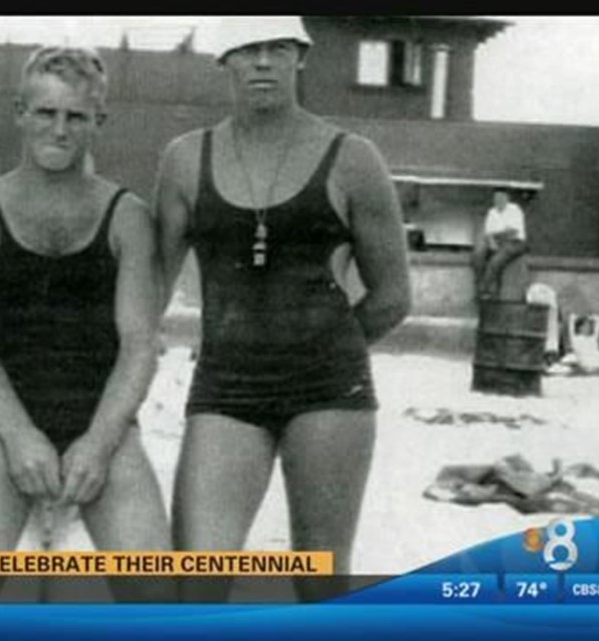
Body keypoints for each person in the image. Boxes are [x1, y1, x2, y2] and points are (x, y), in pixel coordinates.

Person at [155, 17, 410, 602]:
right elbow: (149, 289)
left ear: (301, 56)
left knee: (321, 579)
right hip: (226, 387)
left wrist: (325, 350)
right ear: (226, 60)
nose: (263, 61)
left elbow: (394, 296)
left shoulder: (352, 159)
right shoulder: (186, 159)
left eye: (277, 48)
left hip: (328, 391)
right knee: (195, 578)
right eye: (248, 49)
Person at [0, 46, 172, 603]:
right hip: (4, 419)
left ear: (99, 120)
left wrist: (99, 443)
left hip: (101, 417)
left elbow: (140, 344)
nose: (60, 129)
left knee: (157, 595)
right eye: (46, 113)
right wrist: (18, 435)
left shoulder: (127, 216)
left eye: (76, 116)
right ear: (20, 113)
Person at [471, 189, 528, 299]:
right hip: (498, 241)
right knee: (478, 253)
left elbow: (512, 232)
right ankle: (479, 285)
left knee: (496, 260)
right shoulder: (492, 212)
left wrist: (496, 236)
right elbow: (488, 233)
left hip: (516, 242)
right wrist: (492, 242)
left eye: (501, 197)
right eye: (496, 198)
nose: (498, 200)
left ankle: (484, 290)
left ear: (507, 198)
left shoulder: (515, 210)